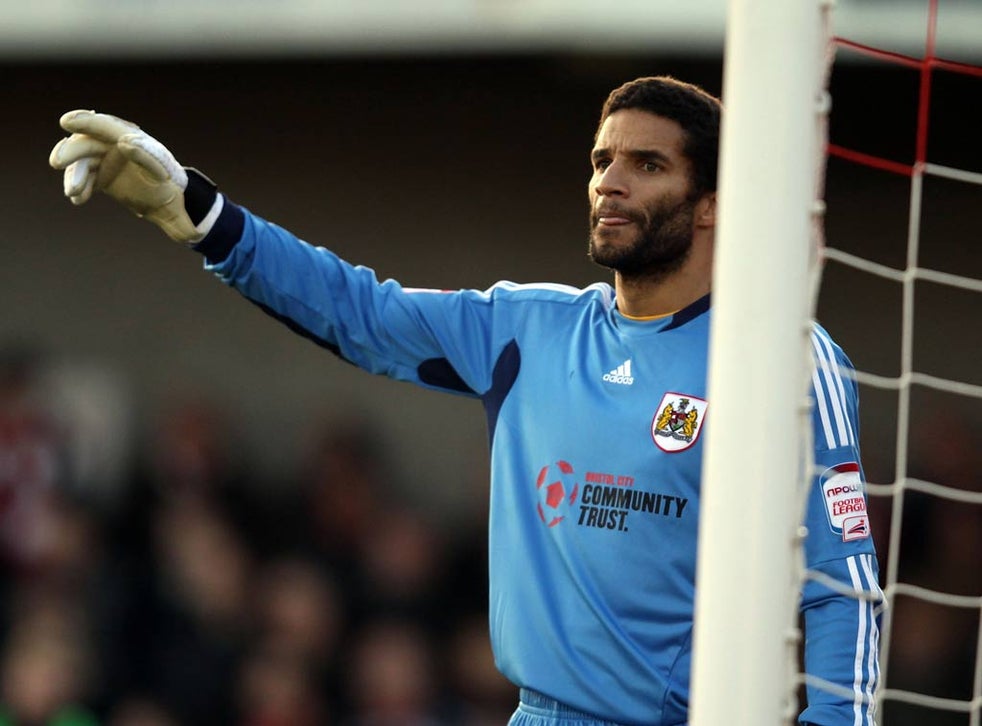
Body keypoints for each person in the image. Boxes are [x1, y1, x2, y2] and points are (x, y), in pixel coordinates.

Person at [49, 76, 883, 725]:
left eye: (646, 164)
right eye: (601, 161)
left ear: (711, 208)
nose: (611, 183)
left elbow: (842, 587)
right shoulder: (525, 328)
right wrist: (198, 215)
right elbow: (360, 309)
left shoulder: (781, 359)